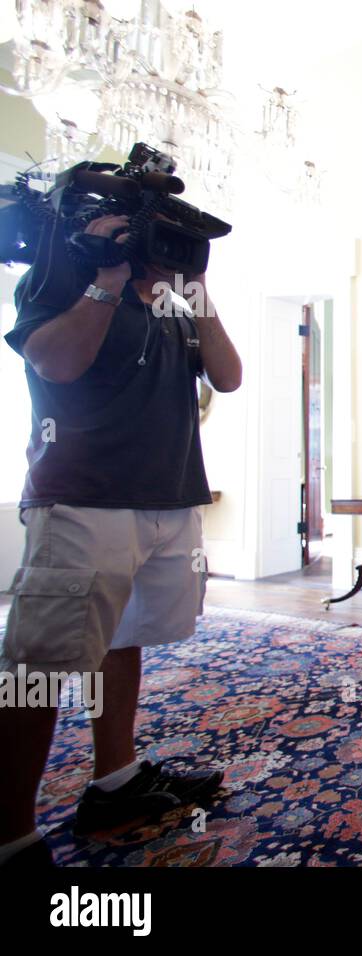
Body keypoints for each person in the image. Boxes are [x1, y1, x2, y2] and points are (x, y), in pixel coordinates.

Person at [0, 212, 242, 868]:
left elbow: (227, 375)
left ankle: (115, 780)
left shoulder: (174, 303)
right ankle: (12, 834)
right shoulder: (59, 282)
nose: (160, 251)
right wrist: (107, 276)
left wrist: (195, 292)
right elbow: (56, 362)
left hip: (167, 494)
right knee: (36, 667)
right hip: (82, 498)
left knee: (123, 638)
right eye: (147, 236)